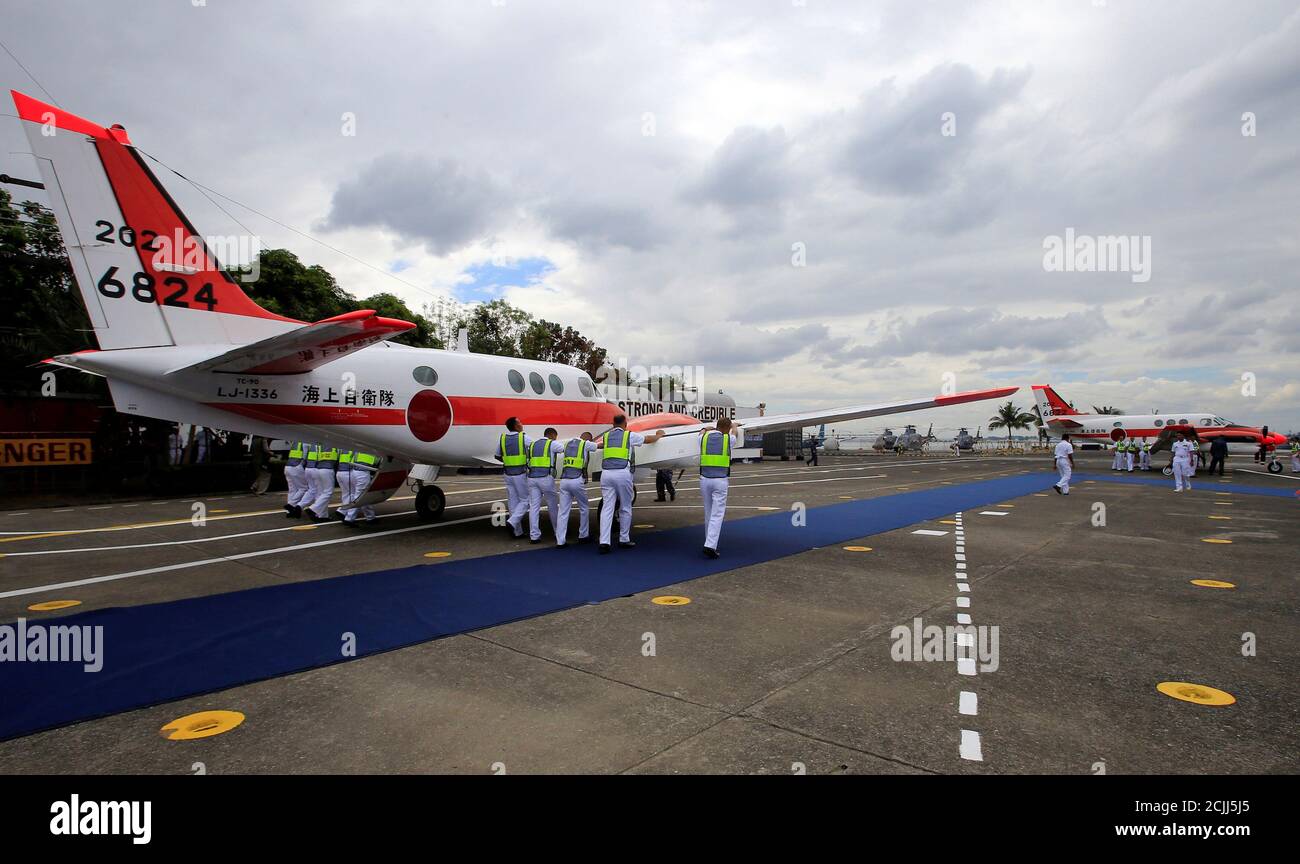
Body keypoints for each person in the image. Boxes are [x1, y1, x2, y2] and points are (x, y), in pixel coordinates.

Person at [596, 414, 666, 553]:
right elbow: (648, 440)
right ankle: (624, 539)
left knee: (607, 508)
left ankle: (604, 542)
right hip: (622, 473)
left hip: (606, 474)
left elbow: (600, 446)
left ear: (613, 424)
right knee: (625, 506)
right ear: (625, 424)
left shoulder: (607, 437)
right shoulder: (629, 435)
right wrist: (659, 435)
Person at [700, 417, 741, 557]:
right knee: (717, 514)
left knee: (708, 512)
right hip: (720, 480)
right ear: (727, 428)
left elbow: (701, 432)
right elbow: (735, 434)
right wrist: (735, 426)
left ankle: (708, 540)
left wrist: (706, 429)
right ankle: (710, 545)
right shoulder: (728, 439)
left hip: (705, 479)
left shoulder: (703, 438)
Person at [556, 432, 597, 546]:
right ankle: (583, 535)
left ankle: (560, 541)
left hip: (564, 480)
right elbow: (597, 446)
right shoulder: (585, 444)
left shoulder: (567, 443)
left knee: (563, 511)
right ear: (588, 439)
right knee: (584, 508)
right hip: (576, 480)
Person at [525, 428, 564, 544]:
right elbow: (563, 449)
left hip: (532, 478)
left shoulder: (532, 445)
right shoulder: (551, 443)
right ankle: (558, 532)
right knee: (552, 506)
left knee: (534, 507)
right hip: (546, 478)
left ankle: (534, 536)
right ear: (552, 435)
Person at [494, 417, 530, 539]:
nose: (522, 424)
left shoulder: (502, 438)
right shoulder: (523, 437)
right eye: (520, 422)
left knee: (513, 502)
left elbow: (497, 455)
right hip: (520, 473)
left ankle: (517, 532)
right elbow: (535, 449)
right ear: (515, 426)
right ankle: (512, 522)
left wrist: (508, 461)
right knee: (526, 500)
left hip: (507, 473)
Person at [341, 450, 381, 525]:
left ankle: (370, 517)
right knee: (360, 497)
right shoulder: (372, 448)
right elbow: (377, 461)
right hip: (363, 473)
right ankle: (349, 518)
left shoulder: (362, 448)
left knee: (363, 496)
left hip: (355, 471)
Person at [308, 444, 340, 521]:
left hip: (319, 469)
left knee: (321, 493)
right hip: (327, 469)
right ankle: (313, 508)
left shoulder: (321, 445)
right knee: (328, 492)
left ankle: (322, 515)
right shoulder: (335, 443)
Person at [283, 441, 308, 517]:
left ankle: (289, 512)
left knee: (292, 490)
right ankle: (291, 505)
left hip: (287, 467)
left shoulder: (295, 442)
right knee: (304, 488)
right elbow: (305, 457)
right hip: (296, 467)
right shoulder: (306, 443)